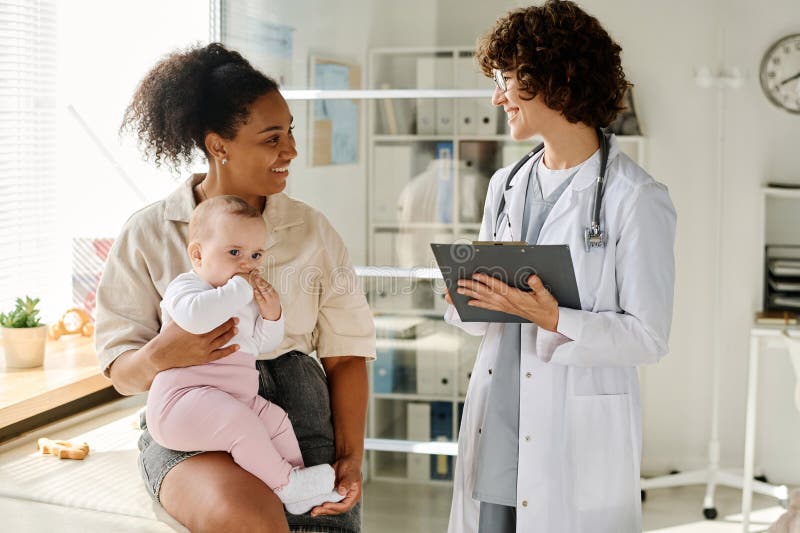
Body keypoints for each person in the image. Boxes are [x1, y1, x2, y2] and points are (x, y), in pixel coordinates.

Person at [95, 43, 375, 533]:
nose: (291, 150)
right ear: (218, 145)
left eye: (290, 133)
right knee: (249, 520)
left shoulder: (314, 231)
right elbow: (122, 371)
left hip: (297, 418)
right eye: (272, 138)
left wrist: (352, 456)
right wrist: (167, 352)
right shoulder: (150, 232)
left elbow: (346, 353)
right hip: (192, 421)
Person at [443, 2, 677, 532]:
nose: (496, 96)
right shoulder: (506, 184)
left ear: (558, 78)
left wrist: (556, 319)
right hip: (498, 411)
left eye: (506, 79)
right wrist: (469, 296)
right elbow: (493, 317)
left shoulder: (635, 198)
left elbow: (649, 337)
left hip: (573, 428)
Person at [146, 195, 344, 515]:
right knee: (240, 422)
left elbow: (262, 345)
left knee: (276, 420)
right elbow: (195, 318)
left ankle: (295, 487)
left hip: (234, 397)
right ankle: (284, 482)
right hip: (180, 403)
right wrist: (239, 290)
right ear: (198, 255)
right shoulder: (188, 288)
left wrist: (271, 314)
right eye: (234, 252)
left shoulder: (243, 300)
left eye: (255, 254)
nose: (246, 264)